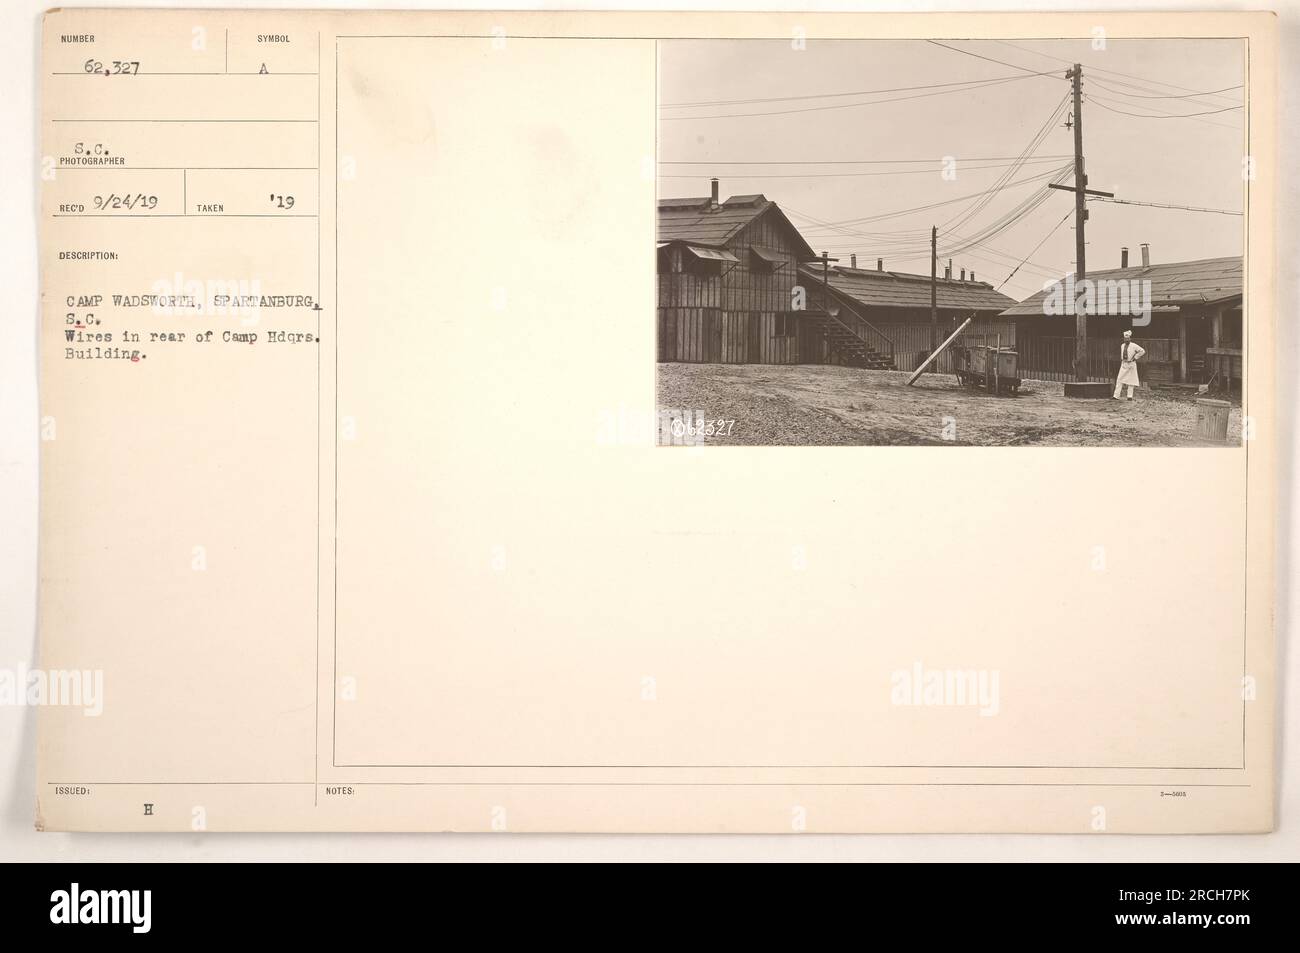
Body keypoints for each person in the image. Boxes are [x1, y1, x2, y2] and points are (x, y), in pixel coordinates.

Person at [1113, 330, 1145, 400]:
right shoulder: (1122, 345)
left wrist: (1135, 357)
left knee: (1131, 381)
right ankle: (1116, 396)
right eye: (1125, 338)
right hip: (1124, 364)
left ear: (1130, 338)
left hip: (1131, 364)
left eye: (1127, 338)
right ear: (1124, 339)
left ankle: (1129, 396)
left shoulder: (1134, 345)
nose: (1126, 340)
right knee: (1119, 379)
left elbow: (1142, 351)